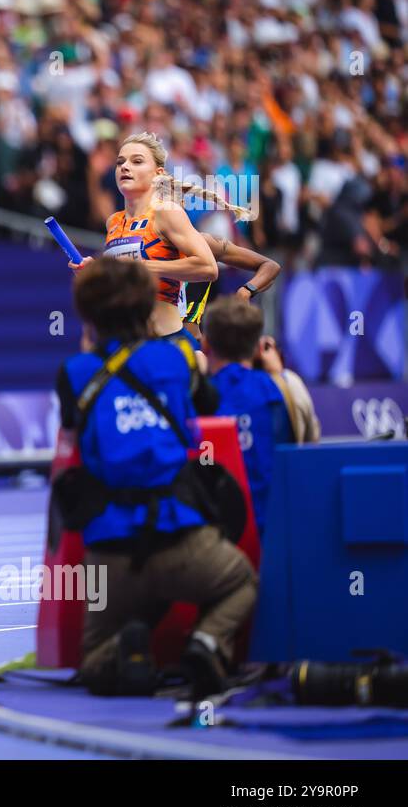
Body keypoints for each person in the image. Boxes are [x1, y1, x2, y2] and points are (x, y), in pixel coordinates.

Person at [54, 257, 256, 699]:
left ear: (87, 314)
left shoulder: (73, 373)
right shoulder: (177, 357)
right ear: (149, 305)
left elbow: (74, 428)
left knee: (92, 662)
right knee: (241, 582)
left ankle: (128, 649)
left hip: (110, 551)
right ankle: (205, 643)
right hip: (182, 538)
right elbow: (207, 404)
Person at [71, 132, 254, 351]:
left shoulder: (166, 212)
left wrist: (141, 267)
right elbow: (120, 289)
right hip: (124, 343)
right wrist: (97, 275)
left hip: (167, 342)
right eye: (120, 162)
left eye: (136, 161)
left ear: (158, 174)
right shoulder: (113, 222)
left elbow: (208, 267)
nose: (125, 167)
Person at [202, 297, 318, 533]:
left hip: (218, 533)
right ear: (257, 349)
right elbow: (310, 444)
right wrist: (279, 374)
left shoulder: (194, 396)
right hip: (279, 530)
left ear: (205, 345)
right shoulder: (287, 386)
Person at [181, 234, 282, 343]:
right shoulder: (160, 257)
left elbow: (270, 266)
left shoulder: (204, 243)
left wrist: (246, 291)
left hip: (193, 348)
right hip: (163, 343)